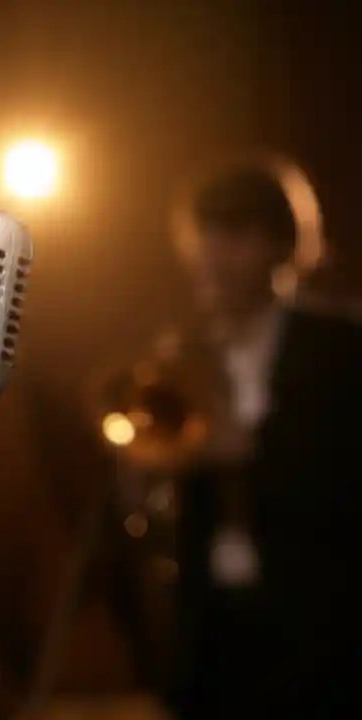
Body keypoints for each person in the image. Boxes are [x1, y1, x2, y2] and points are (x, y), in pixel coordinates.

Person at [162, 159, 362, 718]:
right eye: (205, 234)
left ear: (281, 245)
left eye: (235, 234)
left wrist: (254, 451)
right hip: (216, 643)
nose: (213, 253)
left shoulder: (341, 347)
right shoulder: (186, 354)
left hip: (323, 633)